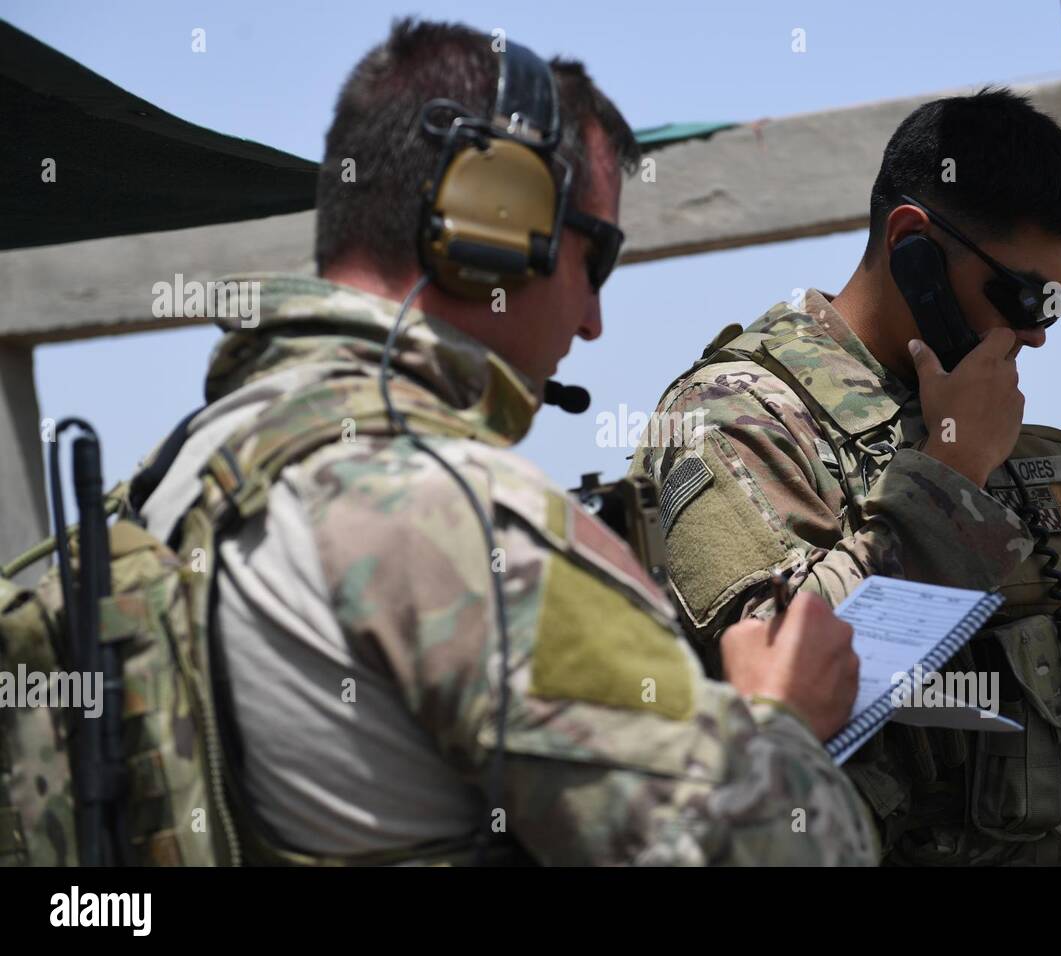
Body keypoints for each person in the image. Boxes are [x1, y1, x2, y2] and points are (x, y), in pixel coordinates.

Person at [107, 20, 886, 866]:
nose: (592, 322)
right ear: (495, 218)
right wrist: (785, 728)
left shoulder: (170, 477)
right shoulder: (456, 517)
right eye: (597, 261)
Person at [631, 89, 1061, 865]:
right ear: (912, 243)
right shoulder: (730, 419)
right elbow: (785, 686)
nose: (1034, 336)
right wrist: (950, 472)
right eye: (1020, 297)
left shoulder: (1011, 432)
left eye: (1055, 304)